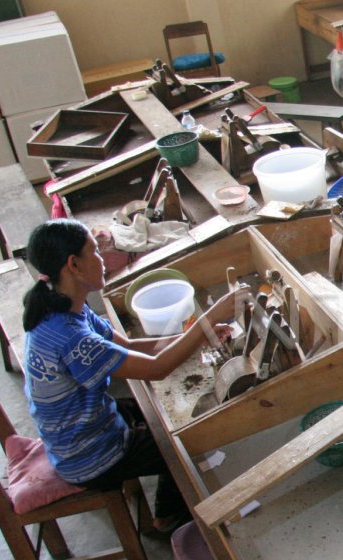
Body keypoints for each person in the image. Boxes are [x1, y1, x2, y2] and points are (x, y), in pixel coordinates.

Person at [21, 219, 245, 533]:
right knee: (188, 442)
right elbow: (156, 369)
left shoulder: (62, 306)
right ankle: (165, 519)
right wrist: (207, 319)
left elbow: (126, 345)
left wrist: (199, 335)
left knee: (164, 416)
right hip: (87, 454)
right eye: (95, 252)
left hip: (83, 425)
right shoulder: (72, 338)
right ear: (73, 265)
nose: (102, 260)